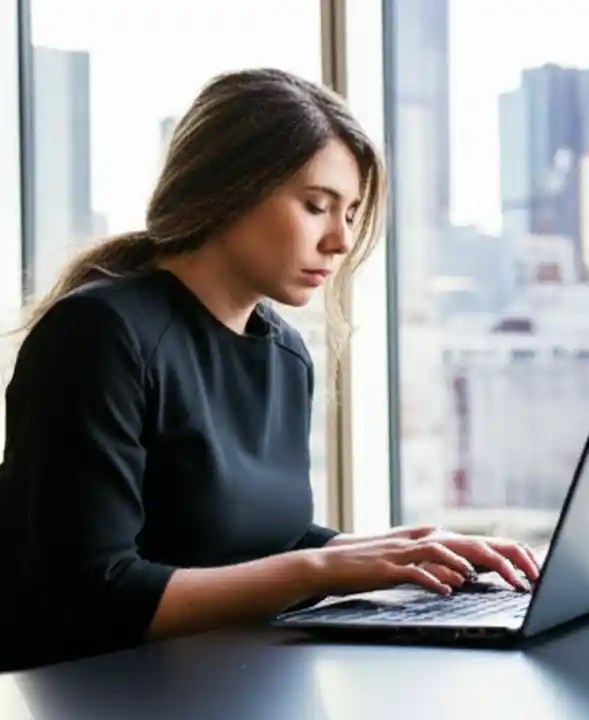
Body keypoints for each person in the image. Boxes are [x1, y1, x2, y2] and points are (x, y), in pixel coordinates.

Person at [0, 68, 539, 671]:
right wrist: (326, 568)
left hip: (228, 680)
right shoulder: (99, 334)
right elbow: (89, 595)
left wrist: (403, 551)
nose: (340, 240)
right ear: (229, 188)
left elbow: (255, 539)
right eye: (316, 206)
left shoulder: (283, 351)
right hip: (101, 693)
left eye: (351, 214)